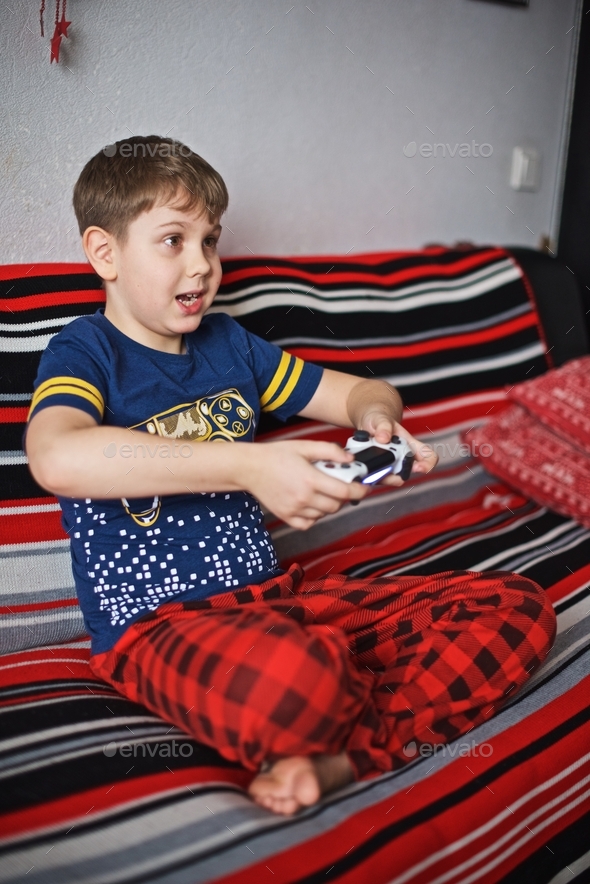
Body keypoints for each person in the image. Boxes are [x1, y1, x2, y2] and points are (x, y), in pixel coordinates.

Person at [25, 136, 556, 817]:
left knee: (517, 610)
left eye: (210, 241)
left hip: (282, 602)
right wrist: (246, 462)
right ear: (104, 253)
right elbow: (57, 457)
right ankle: (341, 704)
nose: (204, 265)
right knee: (299, 678)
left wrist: (376, 424)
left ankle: (338, 752)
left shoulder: (229, 346)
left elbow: (365, 391)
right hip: (156, 628)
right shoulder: (86, 350)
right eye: (173, 241)